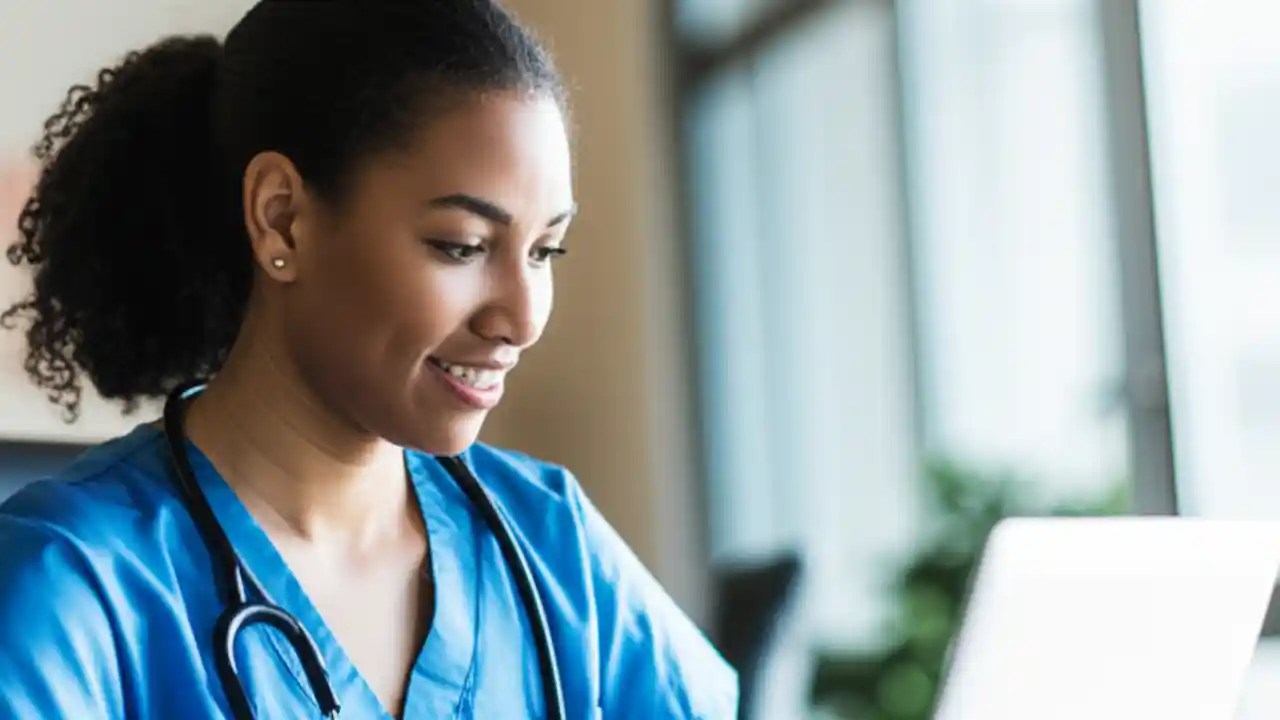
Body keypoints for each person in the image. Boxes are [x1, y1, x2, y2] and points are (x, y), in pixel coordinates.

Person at [0, 1, 738, 718]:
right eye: (462, 246)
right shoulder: (72, 584)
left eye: (545, 251)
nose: (522, 318)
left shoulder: (552, 544)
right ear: (281, 216)